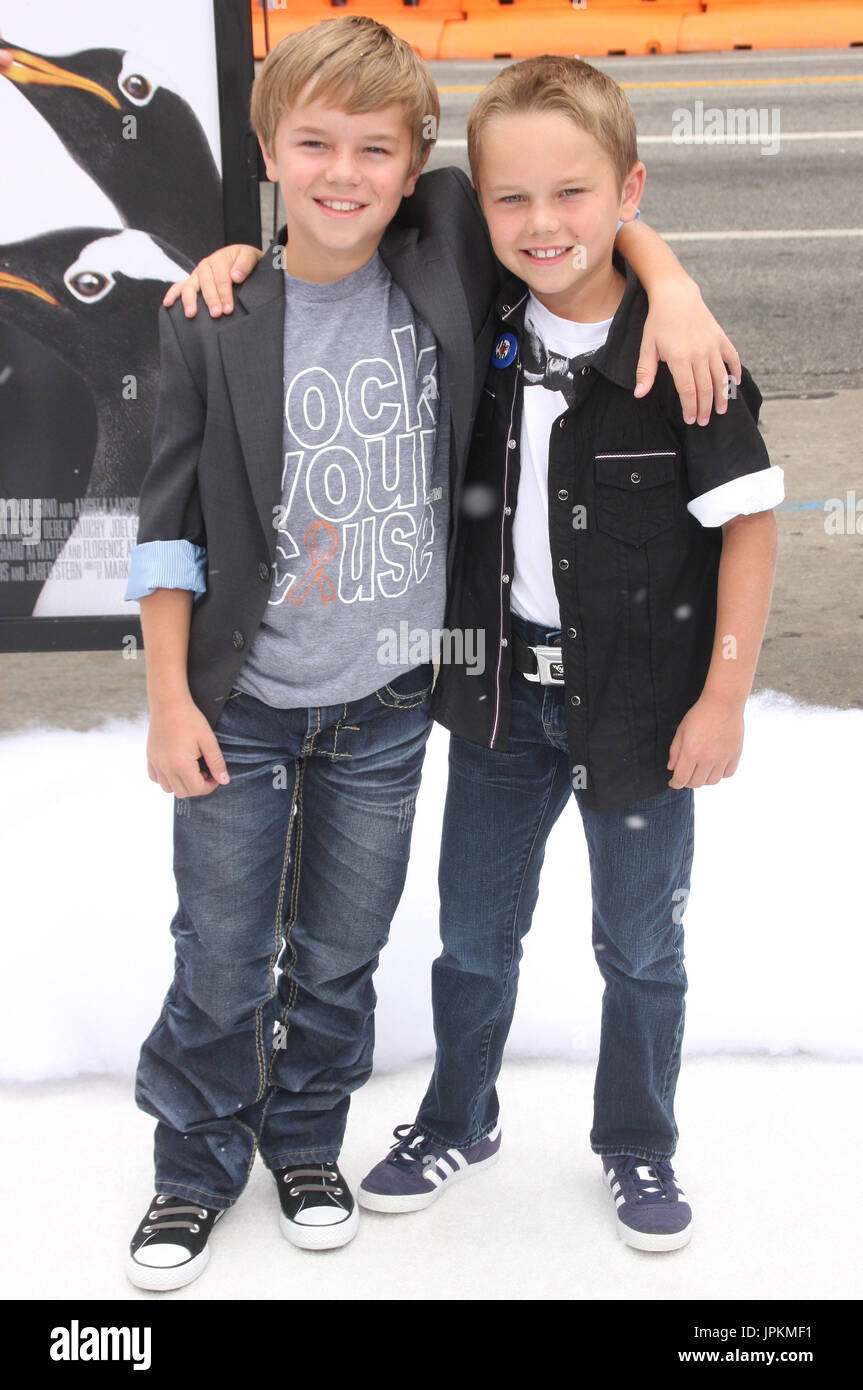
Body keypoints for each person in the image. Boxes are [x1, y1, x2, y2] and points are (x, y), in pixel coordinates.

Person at [128, 17, 744, 1290]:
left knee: (343, 951)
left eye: (374, 150)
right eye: (311, 145)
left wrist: (671, 281)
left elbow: (581, 203)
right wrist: (164, 699)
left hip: (395, 704)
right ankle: (192, 1168)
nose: (343, 173)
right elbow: (165, 536)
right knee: (224, 953)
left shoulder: (452, 248)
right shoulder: (218, 314)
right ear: (266, 151)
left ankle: (306, 1146)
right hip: (243, 701)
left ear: (416, 173)